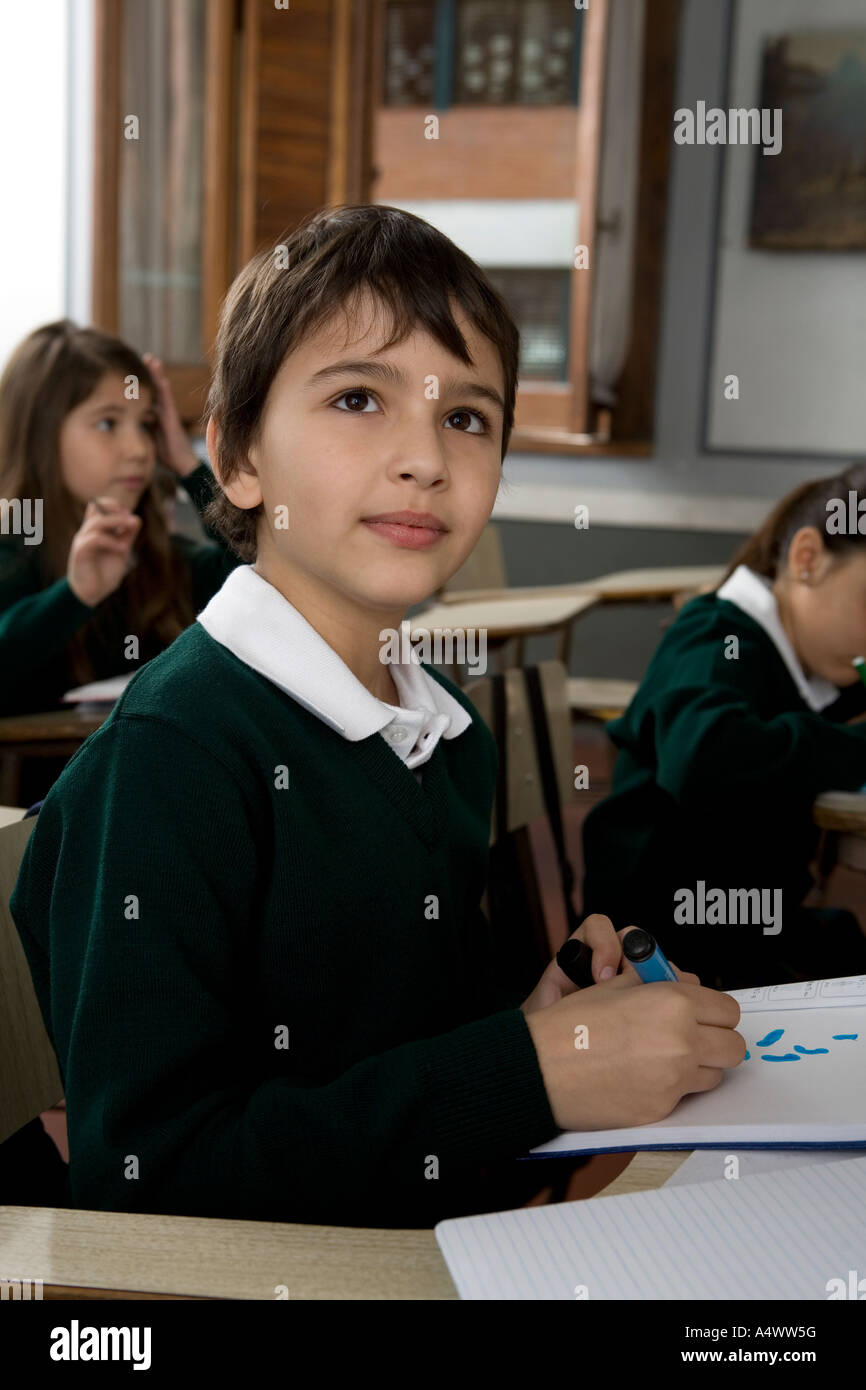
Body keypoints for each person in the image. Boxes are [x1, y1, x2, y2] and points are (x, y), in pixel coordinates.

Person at [9, 205, 744, 1228]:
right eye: (359, 396)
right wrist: (524, 1074)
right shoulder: (172, 760)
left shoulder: (443, 730)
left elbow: (392, 1058)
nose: (424, 457)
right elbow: (152, 1176)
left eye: (466, 416)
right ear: (237, 460)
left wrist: (536, 1023)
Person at [582, 466, 866, 991]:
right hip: (665, 948)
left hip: (745, 926)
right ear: (807, 559)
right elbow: (704, 758)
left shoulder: (817, 660)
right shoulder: (716, 636)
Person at [0, 320, 242, 800]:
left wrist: (190, 468)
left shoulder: (162, 558)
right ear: (42, 433)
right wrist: (74, 597)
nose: (137, 450)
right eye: (108, 423)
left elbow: (268, 580)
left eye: (147, 426)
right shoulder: (10, 550)